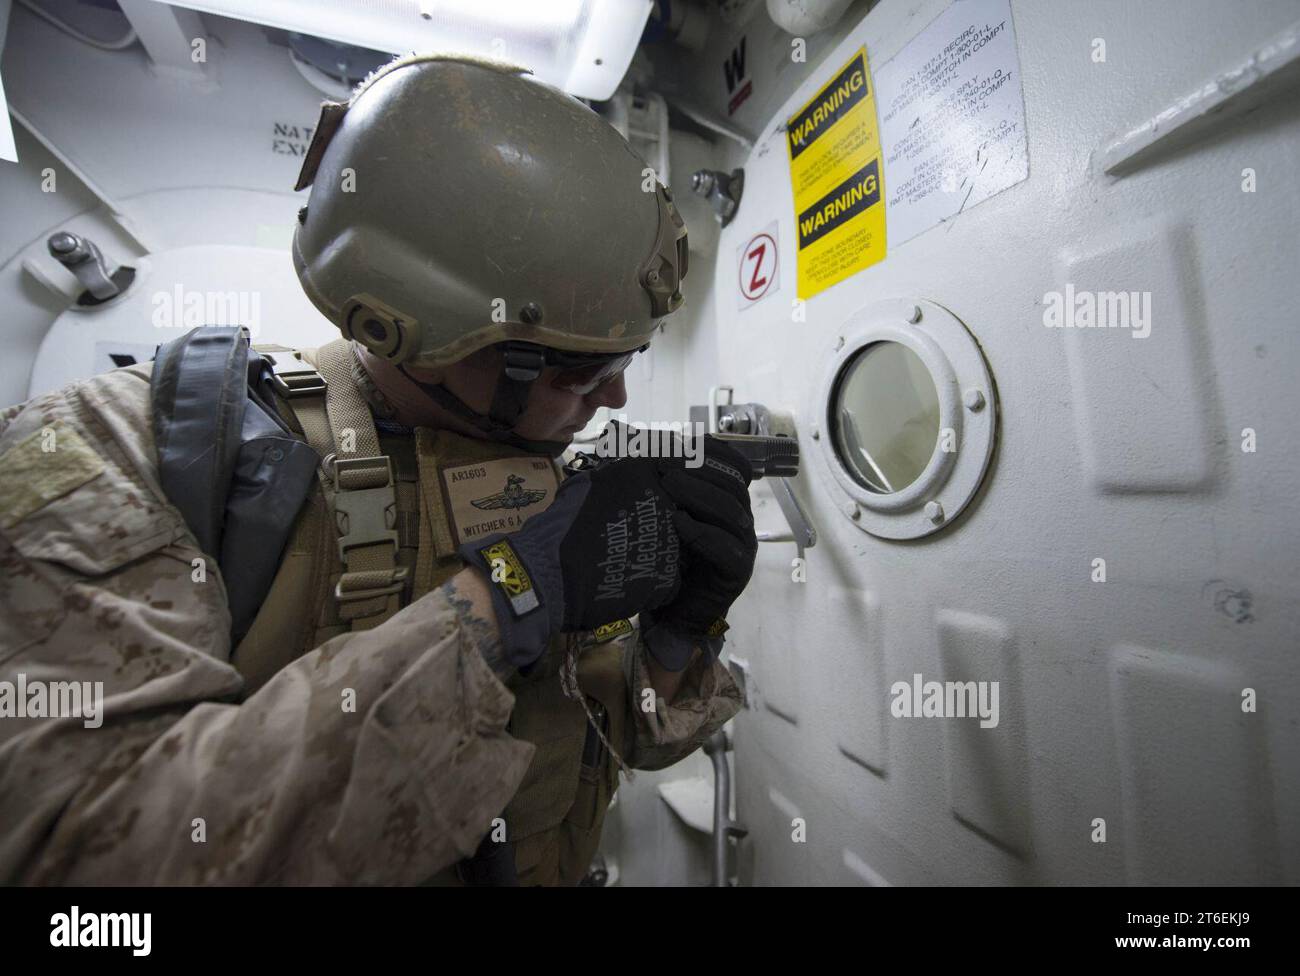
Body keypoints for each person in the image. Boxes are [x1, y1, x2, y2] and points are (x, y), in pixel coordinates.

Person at [0, 53, 757, 885]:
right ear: (421, 334)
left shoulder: (552, 470)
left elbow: (613, 739)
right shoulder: (130, 452)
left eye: (630, 360)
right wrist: (504, 599)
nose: (613, 397)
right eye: (576, 372)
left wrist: (680, 636)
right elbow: (85, 861)